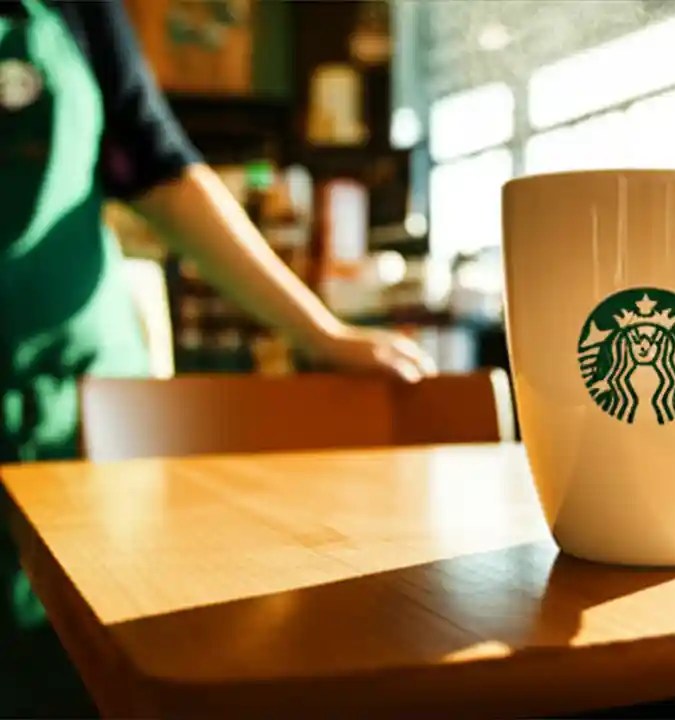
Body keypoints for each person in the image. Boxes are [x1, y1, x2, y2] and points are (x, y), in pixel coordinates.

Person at [0, 0, 433, 713]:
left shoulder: (73, 9)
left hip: (88, 404)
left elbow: (160, 169)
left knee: (108, 660)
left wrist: (321, 333)